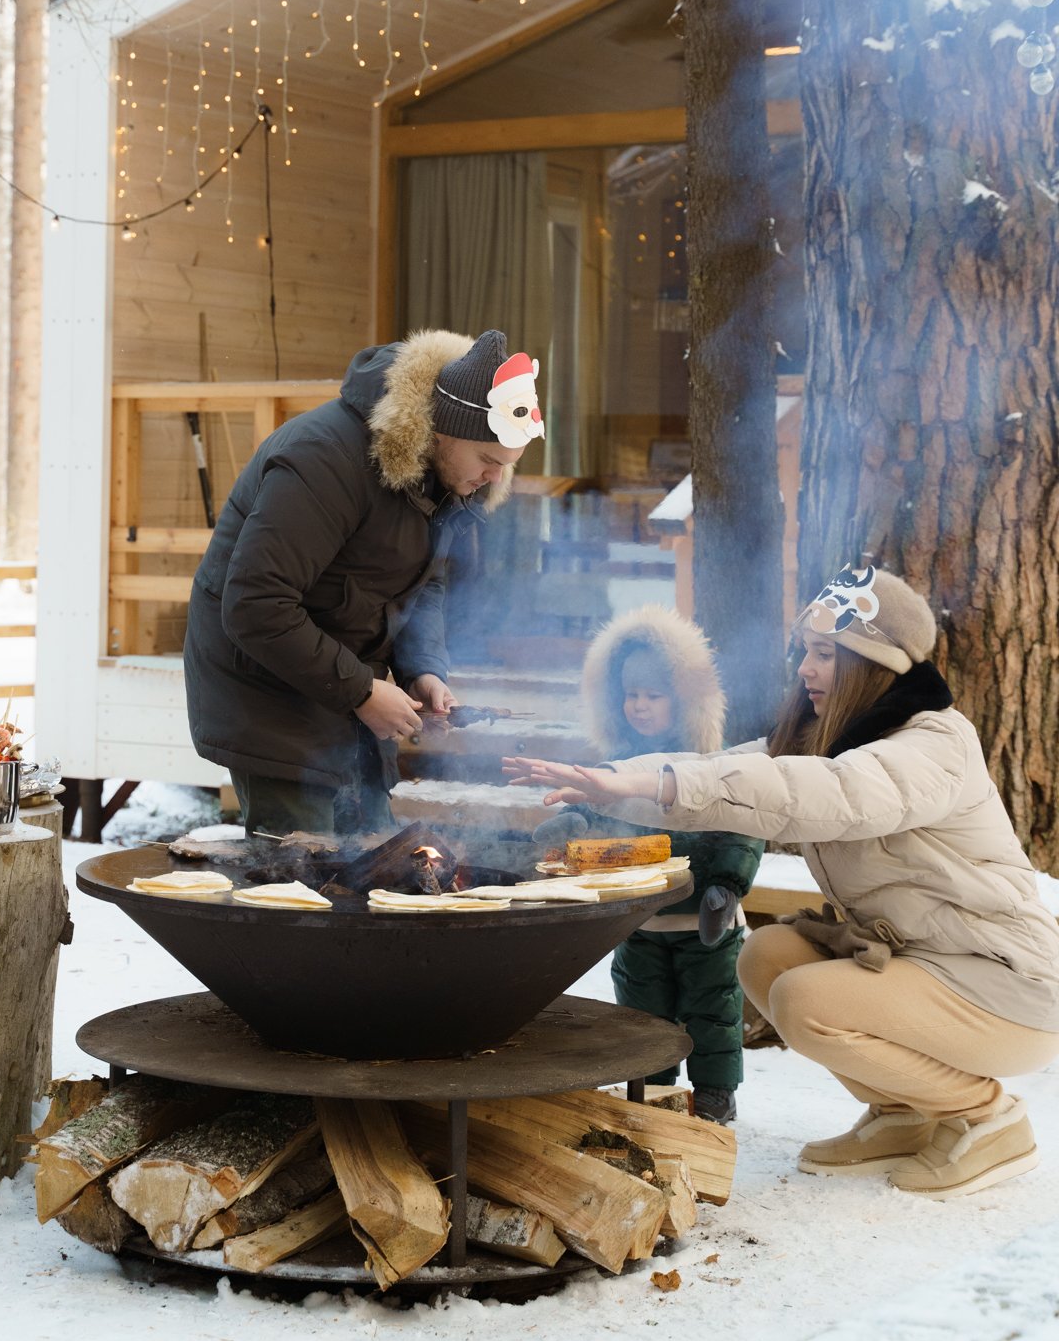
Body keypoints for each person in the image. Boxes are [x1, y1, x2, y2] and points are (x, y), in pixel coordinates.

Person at [506, 566, 1059, 1198]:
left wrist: (650, 782)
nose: (805, 668)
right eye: (805, 650)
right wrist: (609, 778)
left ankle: (989, 1118)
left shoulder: (933, 745)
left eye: (824, 653)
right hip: (927, 966)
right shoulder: (831, 739)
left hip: (1005, 985)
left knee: (807, 1002)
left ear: (870, 662)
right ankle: (904, 1113)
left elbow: (824, 794)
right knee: (767, 957)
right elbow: (719, 773)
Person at [185, 328, 544, 835]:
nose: (493, 478)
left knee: (375, 856)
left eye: (505, 466)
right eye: (488, 461)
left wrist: (423, 668)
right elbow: (256, 605)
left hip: (341, 680)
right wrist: (361, 692)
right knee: (300, 870)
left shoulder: (438, 476)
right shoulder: (323, 459)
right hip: (268, 691)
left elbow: (425, 582)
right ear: (441, 430)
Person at [543, 606, 762, 1124]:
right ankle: (652, 1086)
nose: (639, 706)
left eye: (653, 695)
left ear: (683, 700)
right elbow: (590, 805)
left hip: (704, 915)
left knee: (713, 1006)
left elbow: (745, 824)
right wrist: (570, 828)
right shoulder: (613, 763)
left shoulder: (716, 762)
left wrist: (728, 884)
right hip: (638, 918)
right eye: (630, 695)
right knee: (642, 1008)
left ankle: (714, 1090)